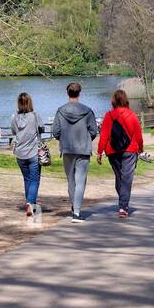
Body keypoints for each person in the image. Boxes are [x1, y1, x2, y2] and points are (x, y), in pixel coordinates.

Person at [52, 82, 98, 222]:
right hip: (83, 149)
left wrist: (64, 139)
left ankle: (74, 207)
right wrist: (86, 138)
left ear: (68, 93)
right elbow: (94, 131)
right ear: (79, 93)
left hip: (67, 149)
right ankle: (76, 212)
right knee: (80, 181)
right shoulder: (88, 111)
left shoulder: (60, 111)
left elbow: (55, 131)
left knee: (71, 180)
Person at [97, 89, 144, 219]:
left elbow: (104, 135)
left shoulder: (108, 115)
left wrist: (100, 151)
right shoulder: (132, 115)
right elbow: (138, 135)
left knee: (119, 176)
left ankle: (123, 201)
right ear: (126, 100)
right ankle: (123, 206)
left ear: (113, 101)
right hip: (130, 150)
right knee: (126, 178)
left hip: (112, 150)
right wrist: (140, 147)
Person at [10, 92, 43, 218]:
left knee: (27, 179)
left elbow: (14, 131)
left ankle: (31, 203)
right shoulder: (35, 116)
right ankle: (30, 203)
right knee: (35, 179)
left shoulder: (14, 117)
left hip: (20, 153)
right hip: (34, 152)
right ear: (30, 102)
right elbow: (41, 129)